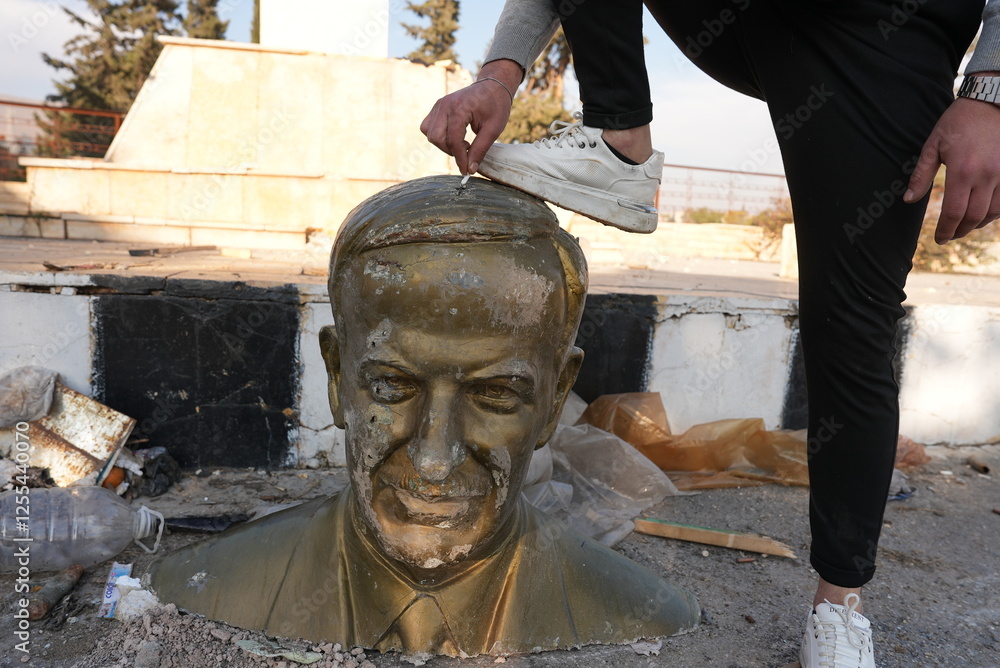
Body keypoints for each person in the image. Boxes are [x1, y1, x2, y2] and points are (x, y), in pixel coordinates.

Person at [420, 2, 1000, 666]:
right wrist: (498, 76)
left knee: (851, 323)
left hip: (890, 36)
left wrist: (991, 90)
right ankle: (619, 141)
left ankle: (838, 606)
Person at [148, 176, 700, 657]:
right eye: (392, 387)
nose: (435, 461)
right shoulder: (208, 584)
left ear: (555, 399)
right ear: (338, 377)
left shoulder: (634, 611)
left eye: (495, 396)